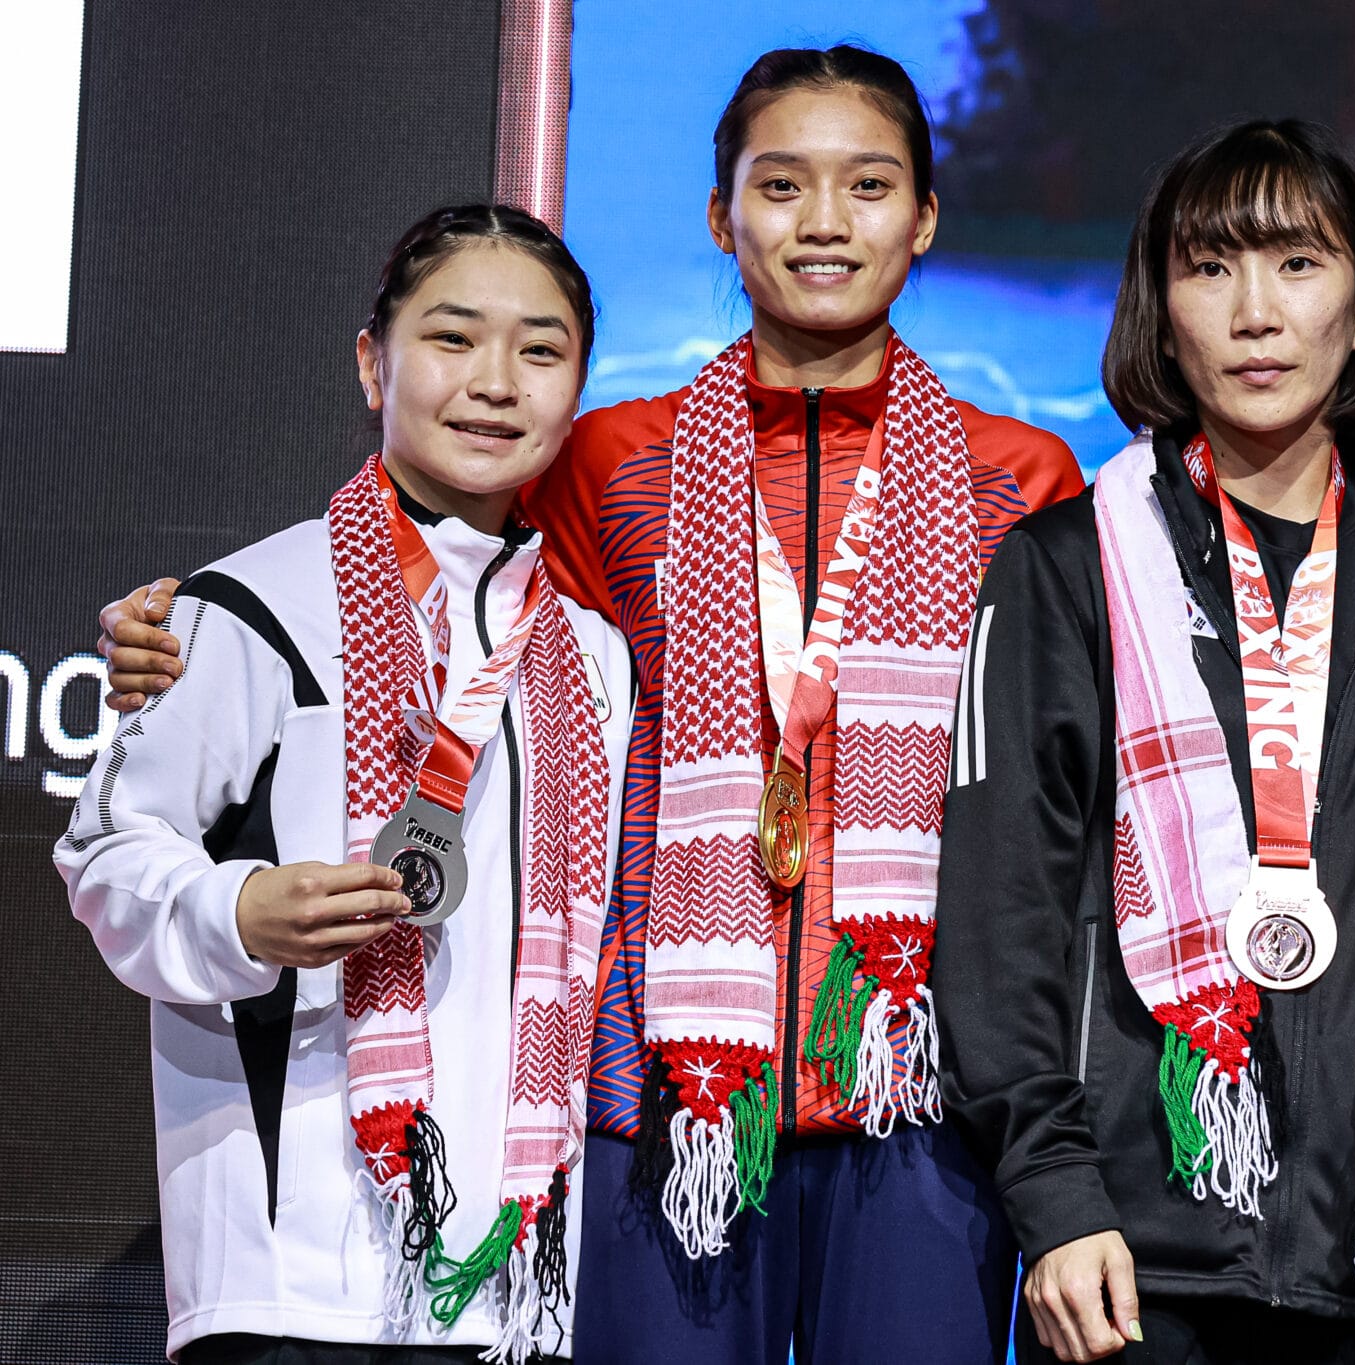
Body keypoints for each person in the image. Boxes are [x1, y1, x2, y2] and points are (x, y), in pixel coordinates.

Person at [100, 45, 1082, 1365]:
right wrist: (178, 632)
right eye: (781, 184)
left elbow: (1053, 782)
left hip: (918, 1083)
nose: (825, 222)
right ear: (720, 214)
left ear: (926, 219)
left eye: (869, 184)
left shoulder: (1021, 476)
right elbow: (439, 586)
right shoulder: (615, 458)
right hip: (651, 1087)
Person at [933, 119, 1355, 1365]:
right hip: (1135, 1256)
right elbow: (1001, 904)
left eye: (1296, 266)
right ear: (1158, 305)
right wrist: (1056, 1199)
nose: (1254, 314)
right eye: (1209, 267)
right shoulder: (1065, 564)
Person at [56, 204, 633, 1363]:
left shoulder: (590, 652)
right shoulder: (246, 608)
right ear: (374, 364)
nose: (493, 383)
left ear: (577, 390)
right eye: (452, 339)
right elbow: (110, 853)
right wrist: (239, 912)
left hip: (511, 1285)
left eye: (539, 351)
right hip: (289, 1273)